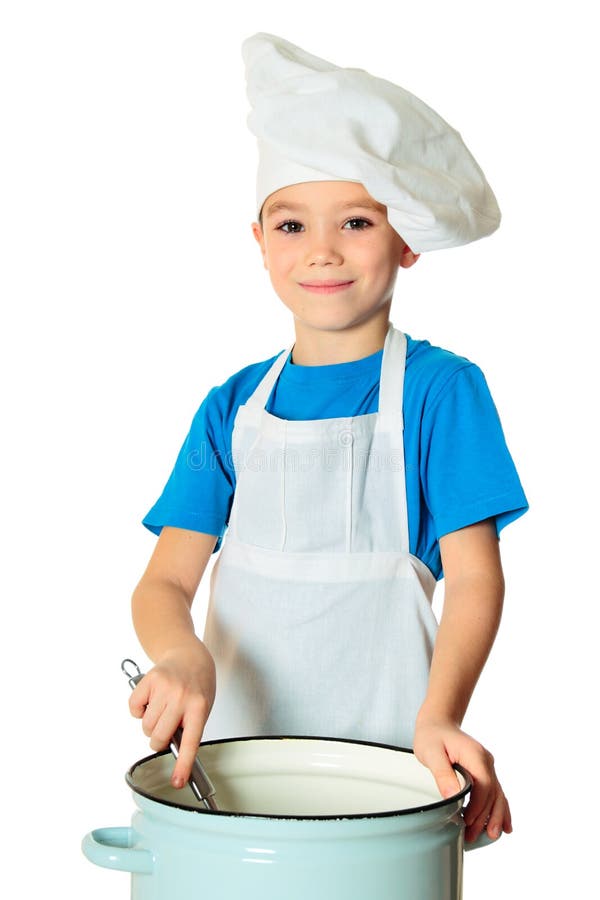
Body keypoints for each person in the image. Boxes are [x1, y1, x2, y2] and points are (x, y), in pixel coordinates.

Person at [128, 33, 528, 844]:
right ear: (258, 242)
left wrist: (441, 716)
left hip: (386, 780)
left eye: (355, 220)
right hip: (237, 784)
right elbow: (164, 583)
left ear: (406, 238)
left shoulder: (441, 393)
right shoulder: (231, 406)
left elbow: (477, 581)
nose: (320, 251)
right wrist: (182, 656)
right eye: (290, 224)